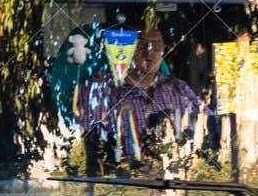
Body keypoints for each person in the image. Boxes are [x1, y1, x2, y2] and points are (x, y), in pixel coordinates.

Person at [77, 26, 206, 161]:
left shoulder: (178, 89)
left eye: (156, 45)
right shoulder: (100, 91)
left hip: (175, 177)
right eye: (141, 44)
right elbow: (93, 152)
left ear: (163, 50)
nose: (149, 51)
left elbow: (206, 129)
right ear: (122, 47)